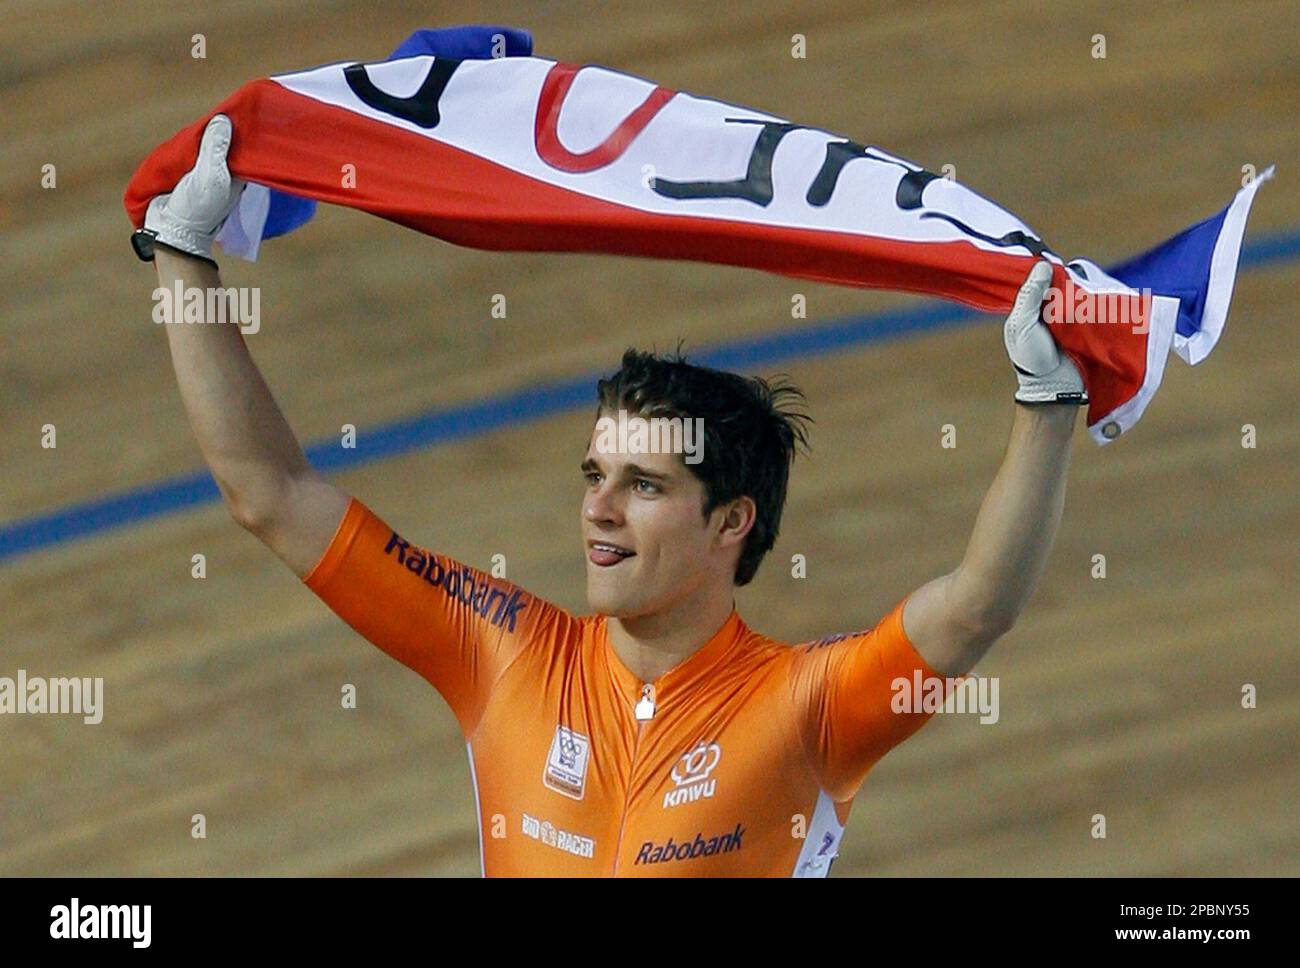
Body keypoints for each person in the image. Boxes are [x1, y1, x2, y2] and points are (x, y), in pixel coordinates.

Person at [134, 116, 1085, 876]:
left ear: (730, 522)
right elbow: (268, 492)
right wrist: (183, 257)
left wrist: (1046, 404)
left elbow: (976, 606)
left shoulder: (809, 709)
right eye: (595, 476)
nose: (599, 507)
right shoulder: (501, 652)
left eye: (643, 485)